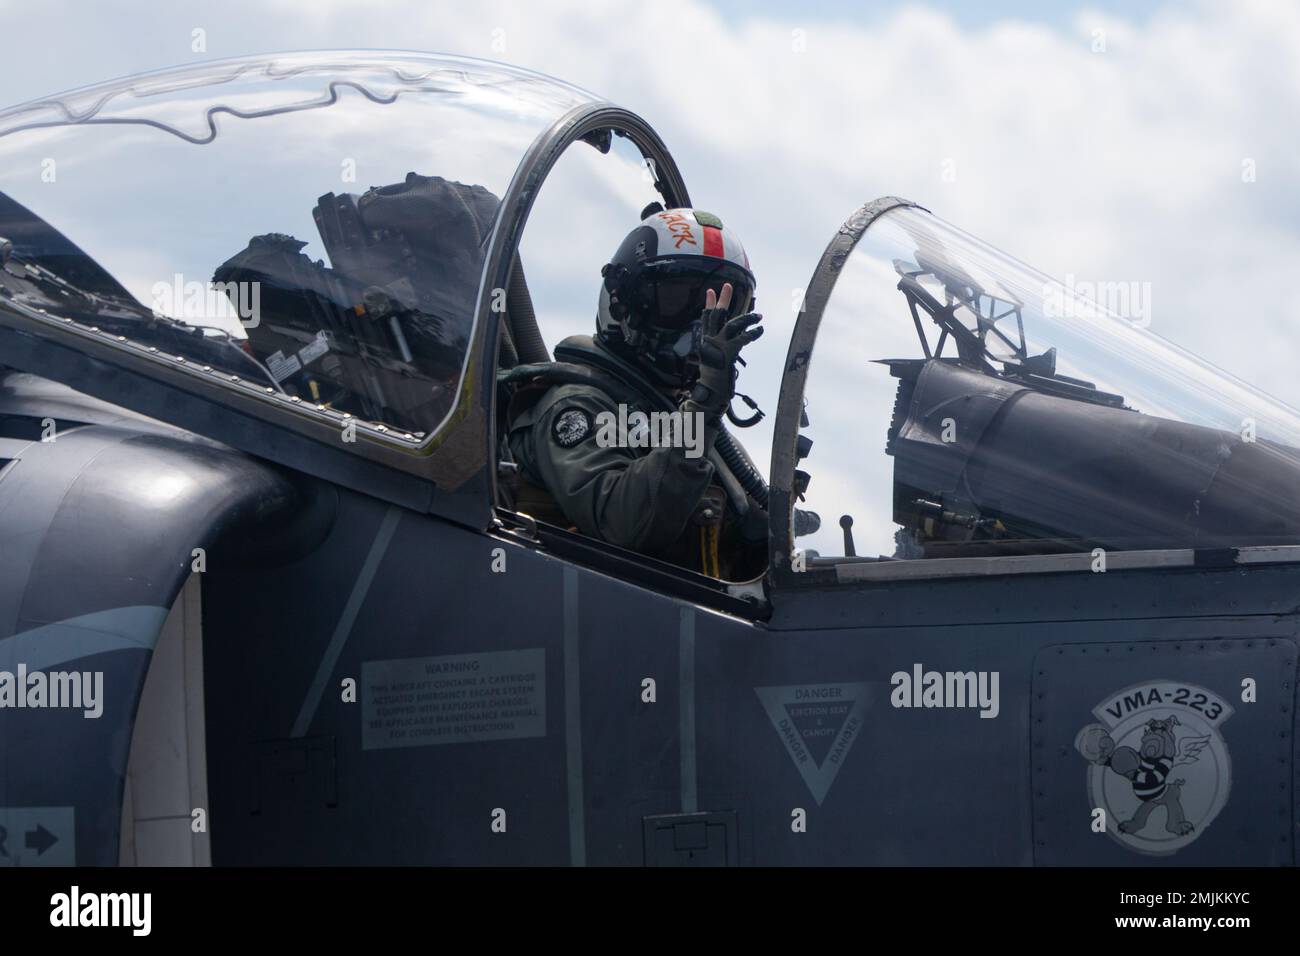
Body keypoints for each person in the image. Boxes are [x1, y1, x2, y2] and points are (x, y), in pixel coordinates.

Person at [505, 206, 769, 579]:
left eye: (717, 311)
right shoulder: (576, 406)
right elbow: (625, 525)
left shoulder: (689, 423)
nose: (700, 331)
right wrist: (705, 405)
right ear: (625, 303)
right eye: (678, 302)